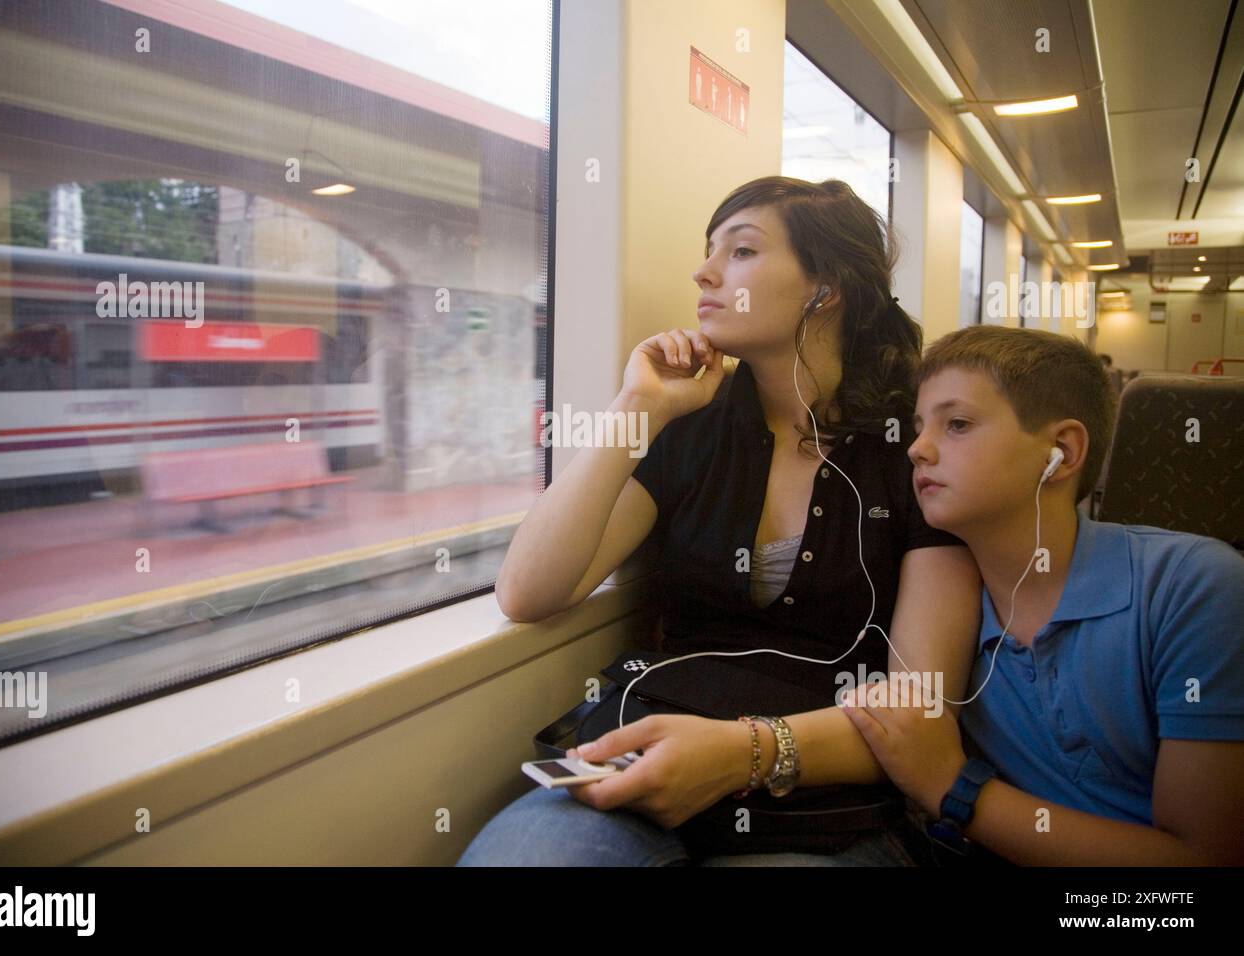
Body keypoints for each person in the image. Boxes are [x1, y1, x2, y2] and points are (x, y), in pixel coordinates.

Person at [457, 177, 982, 866]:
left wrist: (743, 753)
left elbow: (919, 711)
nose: (703, 273)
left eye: (740, 251)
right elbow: (529, 591)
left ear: (825, 287)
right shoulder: (694, 429)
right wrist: (636, 407)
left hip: (821, 798)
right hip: (644, 756)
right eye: (710, 251)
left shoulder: (914, 448)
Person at [842, 325, 1244, 865]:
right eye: (918, 427)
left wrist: (952, 786)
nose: (917, 449)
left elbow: (1202, 864)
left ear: (1061, 451)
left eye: (956, 424)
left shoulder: (1190, 586)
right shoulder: (943, 614)